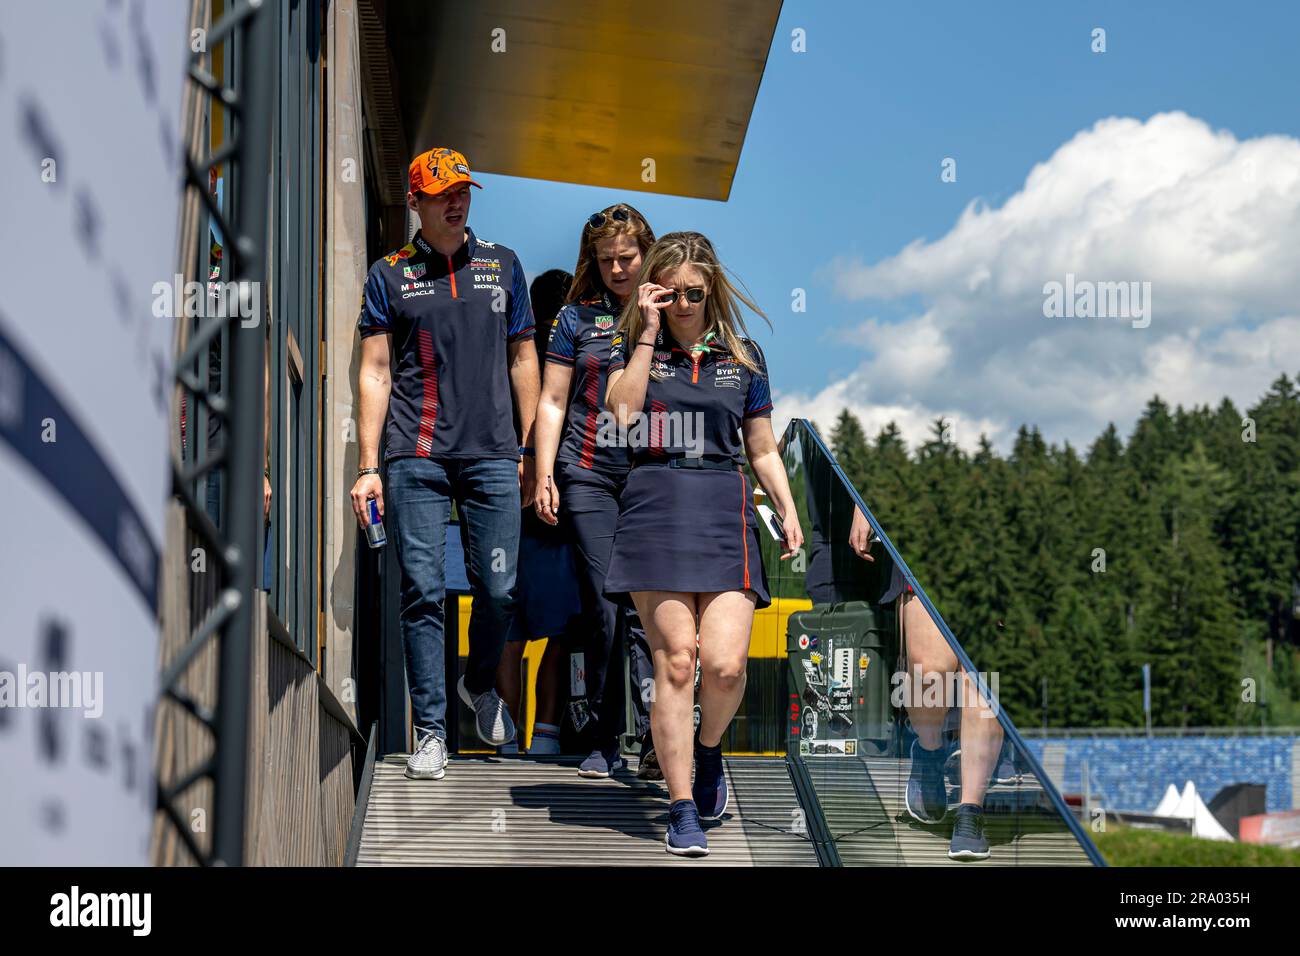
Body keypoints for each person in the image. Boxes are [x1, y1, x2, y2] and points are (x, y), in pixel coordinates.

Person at [602, 232, 803, 856]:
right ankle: (682, 806)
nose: (685, 303)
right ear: (654, 289)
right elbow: (621, 416)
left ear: (712, 289)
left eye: (695, 292)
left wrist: (789, 510)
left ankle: (709, 751)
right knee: (676, 664)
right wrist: (645, 326)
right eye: (673, 292)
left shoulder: (744, 357)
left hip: (723, 506)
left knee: (724, 666)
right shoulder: (633, 344)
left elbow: (762, 447)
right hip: (654, 505)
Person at [350, 147, 539, 780]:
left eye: (463, 191)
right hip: (416, 455)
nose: (456, 201)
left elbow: (523, 362)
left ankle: (479, 682)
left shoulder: (503, 266)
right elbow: (375, 370)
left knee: (500, 588)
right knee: (423, 591)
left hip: (491, 455)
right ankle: (431, 730)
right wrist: (369, 464)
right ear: (416, 203)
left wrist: (531, 451)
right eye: (442, 193)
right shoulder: (390, 273)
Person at [533, 205, 659, 780]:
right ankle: (606, 740)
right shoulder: (572, 318)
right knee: (608, 606)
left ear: (647, 252)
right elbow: (553, 399)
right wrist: (542, 473)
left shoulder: (669, 311)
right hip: (585, 474)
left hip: (653, 476)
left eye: (626, 258)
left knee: (651, 609)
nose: (616, 269)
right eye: (605, 260)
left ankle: (660, 737)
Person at [495, 269, 583, 756]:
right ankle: (546, 732)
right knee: (560, 627)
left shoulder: (510, 348)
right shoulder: (574, 349)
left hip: (509, 497)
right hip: (560, 502)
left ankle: (509, 736)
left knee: (509, 623)